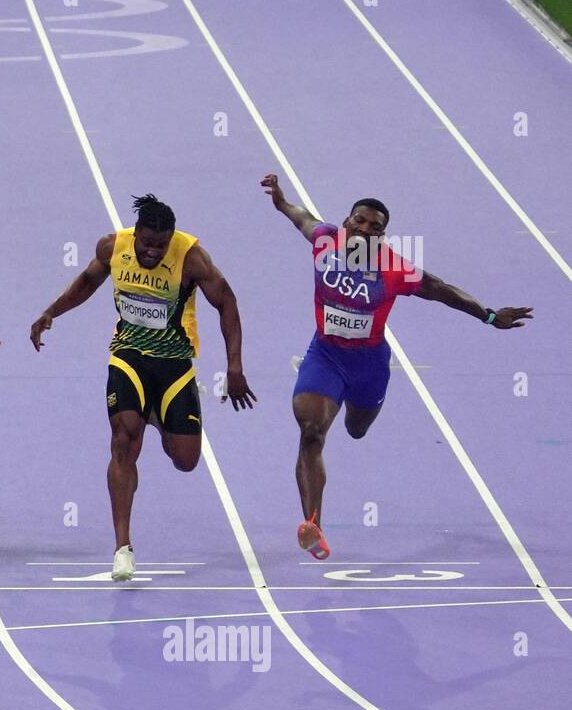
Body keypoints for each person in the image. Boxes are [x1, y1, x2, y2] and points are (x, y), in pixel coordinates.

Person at [261, 173, 533, 559]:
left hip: (369, 367)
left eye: (375, 227)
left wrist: (488, 316)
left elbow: (441, 290)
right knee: (311, 433)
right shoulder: (324, 240)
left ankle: (356, 413)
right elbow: (300, 216)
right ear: (346, 222)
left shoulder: (393, 269)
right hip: (325, 357)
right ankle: (313, 524)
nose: (365, 228)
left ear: (382, 236)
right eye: (359, 220)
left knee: (356, 429)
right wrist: (281, 201)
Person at [30, 194, 255, 581]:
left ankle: (157, 414)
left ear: (171, 239)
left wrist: (234, 365)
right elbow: (88, 281)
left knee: (185, 459)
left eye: (160, 245)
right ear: (135, 234)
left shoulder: (191, 258)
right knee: (124, 440)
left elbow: (227, 302)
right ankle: (123, 548)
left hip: (174, 365)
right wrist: (51, 312)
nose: (152, 251)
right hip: (128, 356)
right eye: (146, 243)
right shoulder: (112, 247)